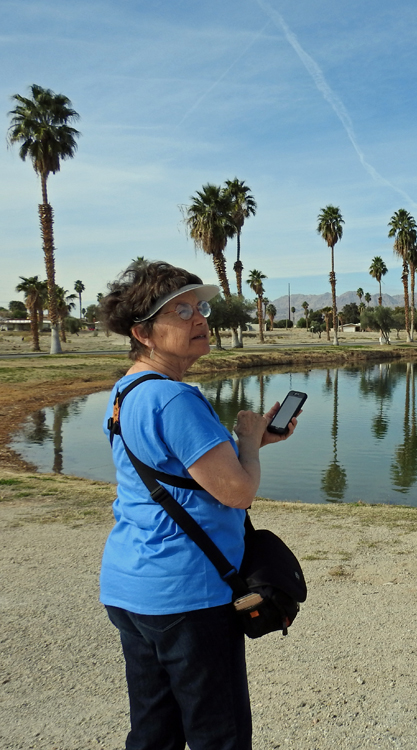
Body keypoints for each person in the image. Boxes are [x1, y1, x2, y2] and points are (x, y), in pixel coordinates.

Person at [99, 261, 298, 750]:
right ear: (143, 332)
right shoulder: (175, 400)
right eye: (181, 311)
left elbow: (180, 473)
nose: (199, 319)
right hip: (187, 595)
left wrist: (252, 445)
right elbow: (238, 492)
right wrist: (249, 442)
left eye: (201, 306)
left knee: (155, 731)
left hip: (133, 586)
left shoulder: (128, 392)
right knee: (219, 734)